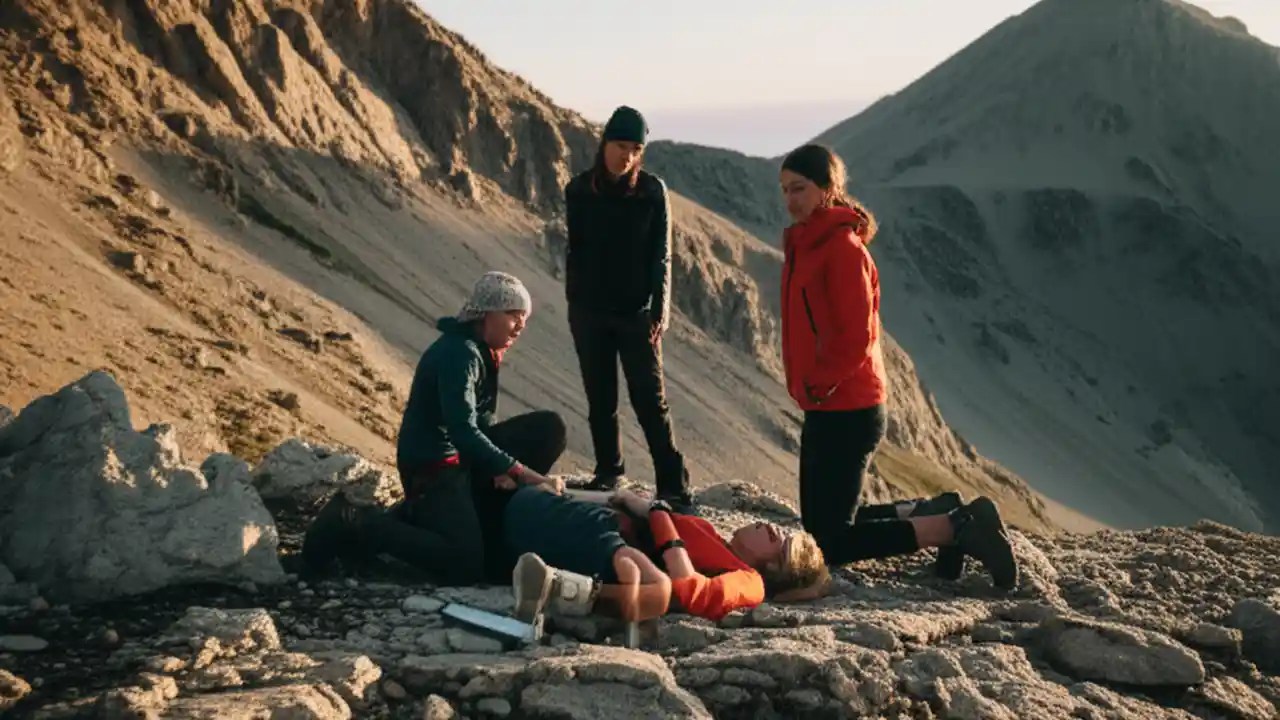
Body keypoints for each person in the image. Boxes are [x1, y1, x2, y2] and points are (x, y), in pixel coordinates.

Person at [778, 144, 1018, 590]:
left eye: (801, 189)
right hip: (825, 404)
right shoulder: (807, 244)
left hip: (847, 408)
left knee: (828, 542)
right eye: (786, 190)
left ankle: (957, 528)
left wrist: (819, 384)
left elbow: (857, 338)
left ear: (828, 189)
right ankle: (933, 512)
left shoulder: (843, 249)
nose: (792, 200)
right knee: (823, 527)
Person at [301, 271, 567, 584]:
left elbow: (481, 422)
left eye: (524, 317)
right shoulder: (460, 354)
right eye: (512, 315)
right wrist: (521, 472)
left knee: (549, 428)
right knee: (465, 564)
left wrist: (499, 468)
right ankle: (357, 522)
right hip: (433, 467)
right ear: (485, 313)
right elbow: (462, 431)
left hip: (461, 459)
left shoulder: (482, 350)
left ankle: (474, 513)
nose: (520, 325)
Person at [563, 105, 693, 511]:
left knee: (650, 401)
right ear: (604, 144)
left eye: (637, 149)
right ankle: (608, 471)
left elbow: (662, 256)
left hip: (637, 314)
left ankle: (674, 485)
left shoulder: (652, 192)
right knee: (600, 397)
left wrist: (660, 312)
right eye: (622, 146)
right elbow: (576, 249)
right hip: (589, 311)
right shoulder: (579, 190)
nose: (629, 157)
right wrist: (575, 303)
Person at [504, 486, 830, 623]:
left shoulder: (751, 582)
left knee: (657, 586)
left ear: (773, 566)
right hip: (595, 531)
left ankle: (557, 587)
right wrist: (562, 492)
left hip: (606, 545)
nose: (769, 526)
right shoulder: (711, 534)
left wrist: (659, 515)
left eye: (778, 540)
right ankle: (556, 588)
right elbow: (621, 500)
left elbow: (691, 590)